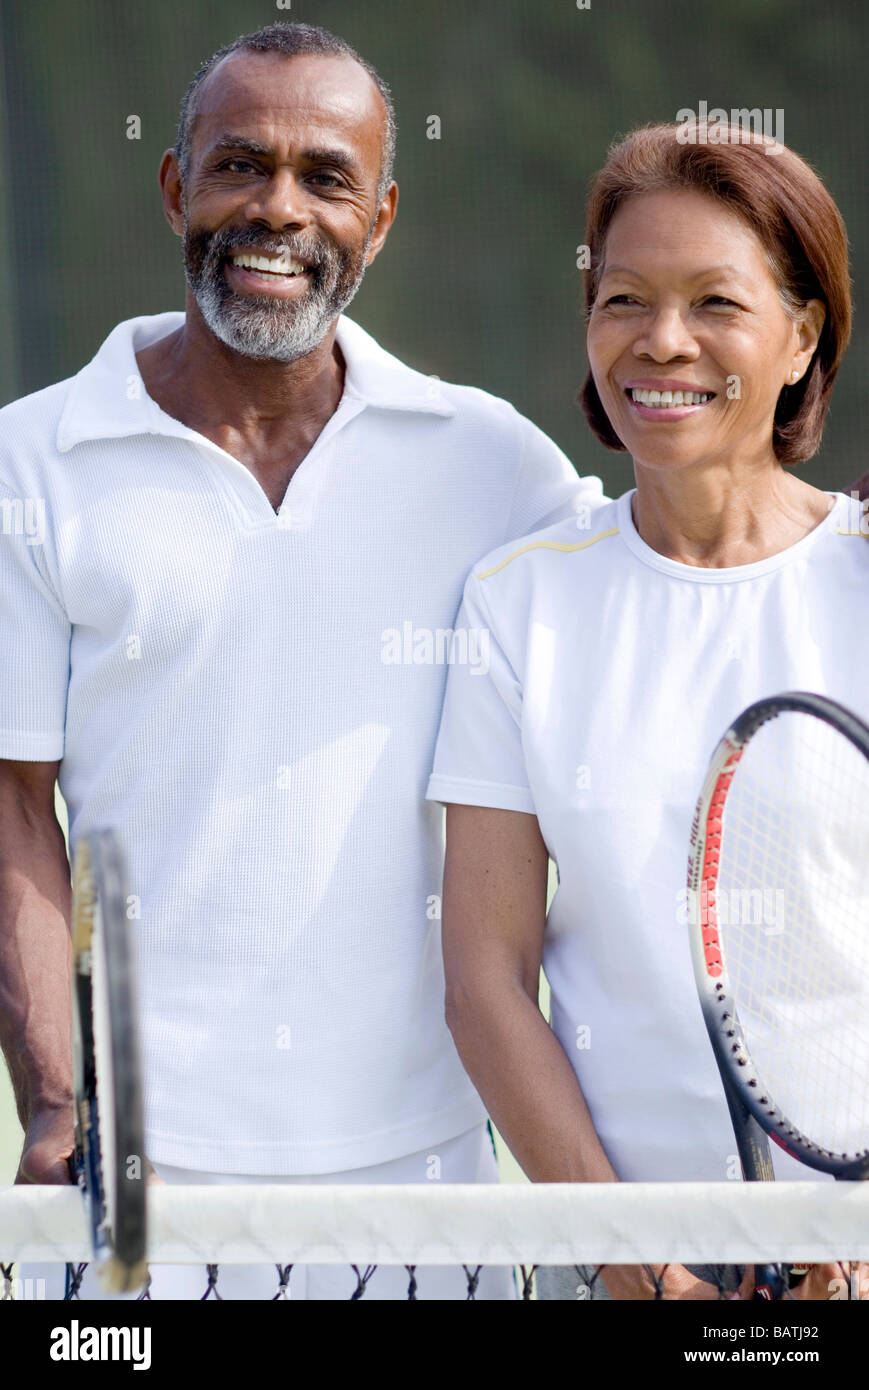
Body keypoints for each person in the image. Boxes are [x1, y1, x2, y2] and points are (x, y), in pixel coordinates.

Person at [0, 21, 604, 1300]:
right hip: (128, 1204)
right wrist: (58, 1103)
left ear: (378, 217)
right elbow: (11, 807)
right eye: (239, 165)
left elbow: (668, 602)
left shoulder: (496, 466)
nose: (278, 208)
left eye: (324, 176)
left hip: (429, 1196)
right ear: (177, 189)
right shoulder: (27, 462)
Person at [427, 121, 869, 1300]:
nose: (660, 340)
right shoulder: (517, 601)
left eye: (712, 301)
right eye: (622, 297)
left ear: (801, 335)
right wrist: (639, 1271)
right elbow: (483, 971)